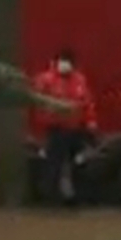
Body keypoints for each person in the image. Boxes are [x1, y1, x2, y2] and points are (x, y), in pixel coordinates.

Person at [32, 50, 97, 206]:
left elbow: (86, 102)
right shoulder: (46, 80)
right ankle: (51, 197)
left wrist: (90, 121)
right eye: (62, 61)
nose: (65, 65)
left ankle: (77, 196)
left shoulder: (79, 80)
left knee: (78, 163)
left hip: (75, 128)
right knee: (54, 163)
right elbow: (38, 103)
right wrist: (46, 120)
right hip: (56, 128)